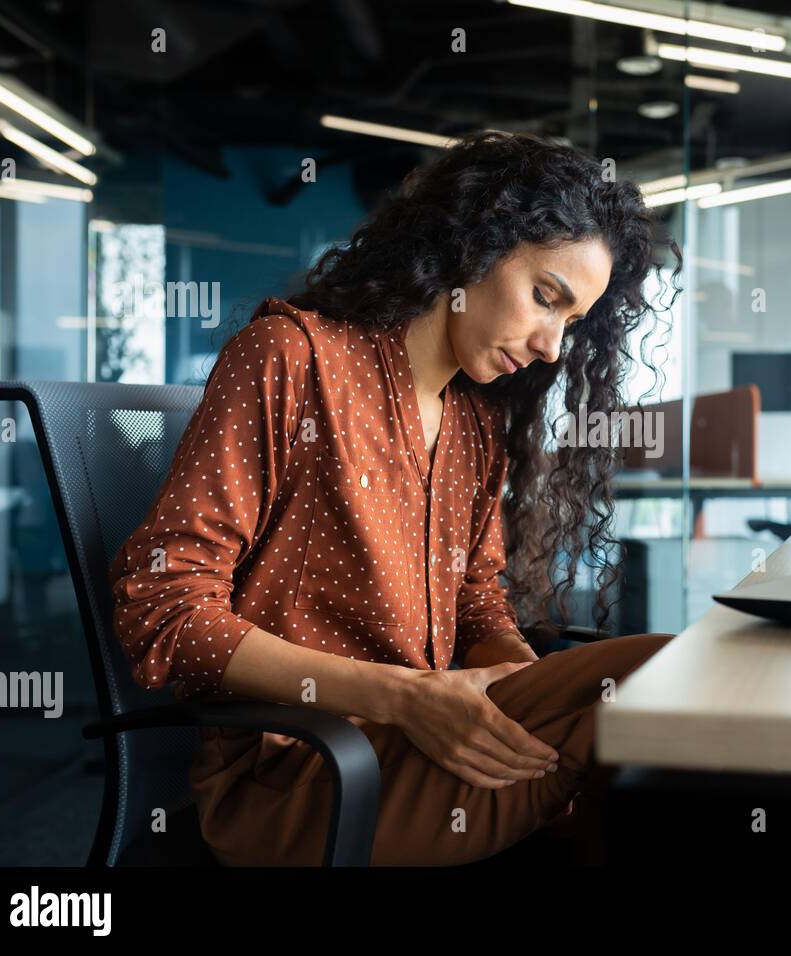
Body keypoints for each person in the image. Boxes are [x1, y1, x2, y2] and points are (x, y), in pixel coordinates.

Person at [108, 131, 682, 865]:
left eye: (571, 324)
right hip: (303, 776)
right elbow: (164, 609)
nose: (551, 347)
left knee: (657, 702)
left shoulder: (476, 419)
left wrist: (514, 682)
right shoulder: (292, 357)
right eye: (545, 298)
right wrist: (407, 697)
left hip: (417, 749)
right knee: (653, 689)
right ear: (472, 246)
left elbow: (475, 601)